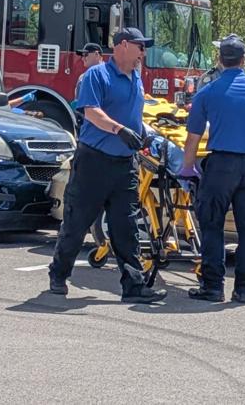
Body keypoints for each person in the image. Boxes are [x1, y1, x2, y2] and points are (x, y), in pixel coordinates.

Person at [45, 27, 167, 304]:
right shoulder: (96, 75)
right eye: (140, 47)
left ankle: (133, 285)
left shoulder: (136, 78)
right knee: (77, 222)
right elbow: (92, 112)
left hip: (124, 164)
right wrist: (120, 130)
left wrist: (144, 133)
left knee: (125, 227)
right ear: (123, 45)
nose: (143, 53)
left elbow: (133, 115)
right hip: (94, 162)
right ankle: (59, 274)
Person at [180, 34, 245, 304]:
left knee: (212, 225)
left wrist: (187, 169)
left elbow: (193, 138)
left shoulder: (207, 93)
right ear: (244, 60)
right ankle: (243, 290)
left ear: (219, 60)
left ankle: (213, 286)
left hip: (221, 165)